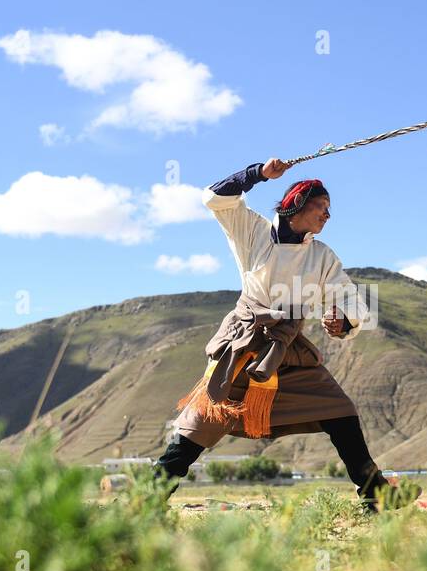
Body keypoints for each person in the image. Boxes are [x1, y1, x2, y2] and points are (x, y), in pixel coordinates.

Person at [154, 157, 408, 512]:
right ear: (296, 205)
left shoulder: (322, 256)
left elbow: (349, 298)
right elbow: (214, 198)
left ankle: (375, 494)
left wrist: (344, 322)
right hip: (243, 343)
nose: (327, 215)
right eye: (321, 206)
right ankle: (147, 498)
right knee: (201, 423)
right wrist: (258, 173)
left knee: (341, 412)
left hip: (287, 348)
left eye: (329, 209)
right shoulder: (252, 231)